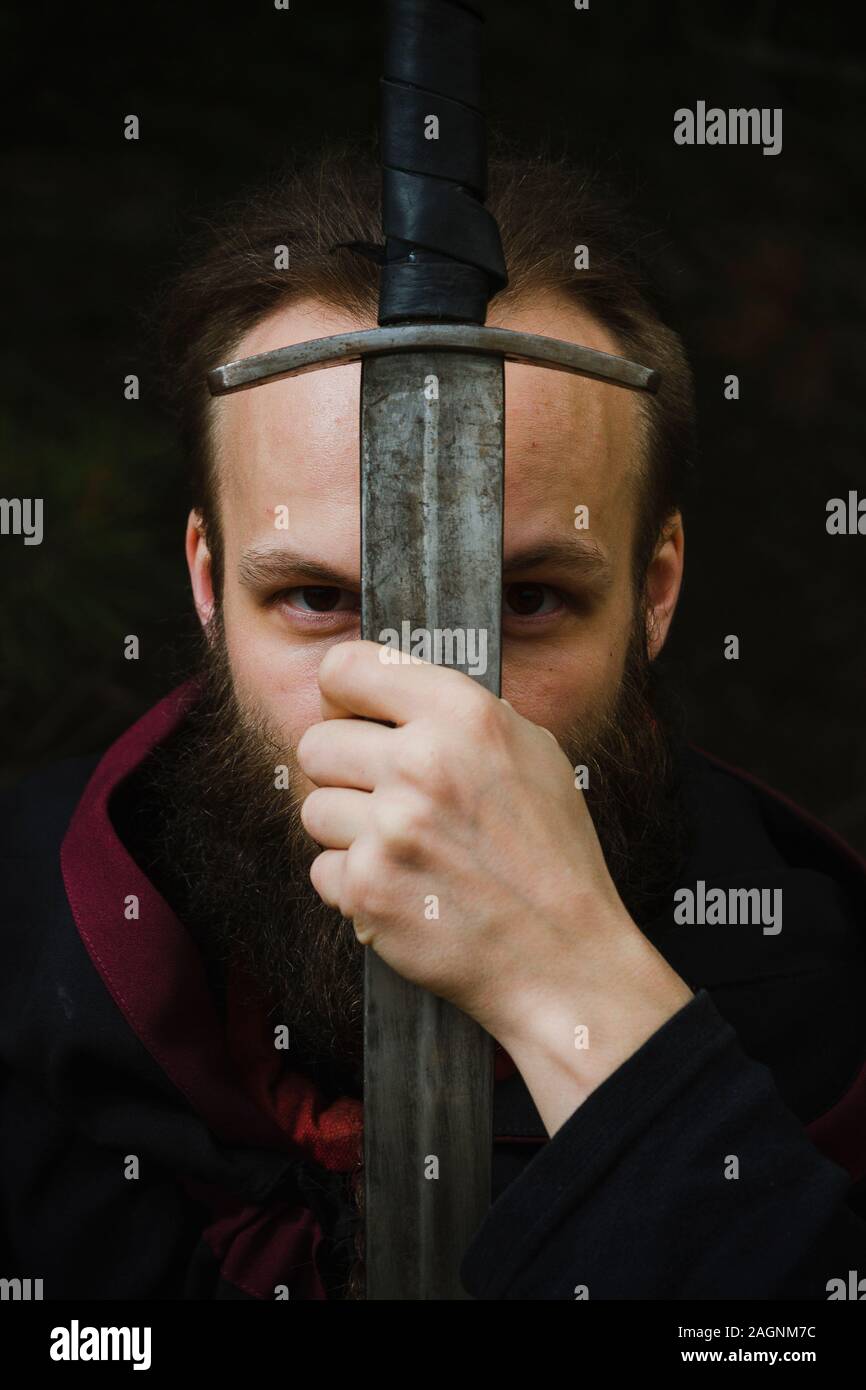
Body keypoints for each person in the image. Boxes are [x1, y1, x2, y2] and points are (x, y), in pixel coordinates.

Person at [1, 147, 864, 1301]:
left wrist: (579, 991)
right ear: (208, 588)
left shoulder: (829, 1007)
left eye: (526, 600)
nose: (433, 730)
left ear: (654, 592)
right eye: (315, 599)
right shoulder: (22, 944)